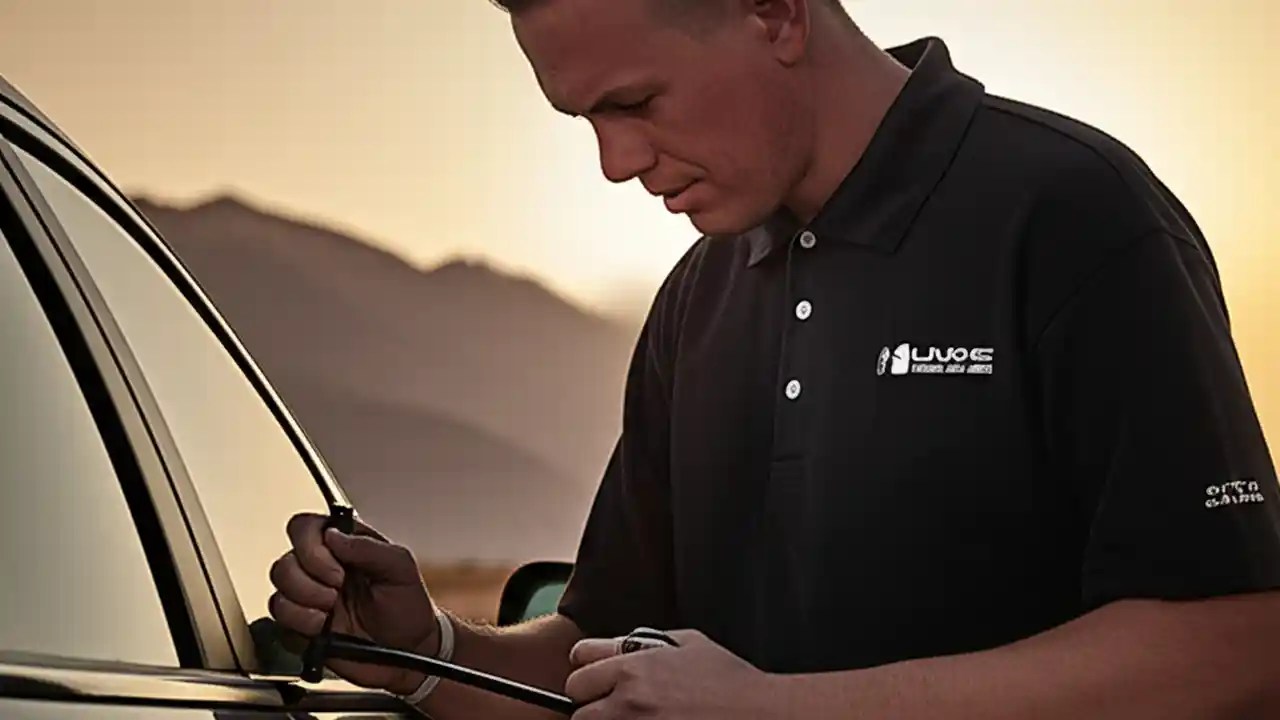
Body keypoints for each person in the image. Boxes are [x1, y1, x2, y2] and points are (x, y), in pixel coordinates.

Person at [269, 0, 1280, 717]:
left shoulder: (1073, 213)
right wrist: (427, 653)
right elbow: (599, 655)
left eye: (634, 101)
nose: (614, 164)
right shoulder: (696, 296)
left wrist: (780, 709)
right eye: (584, 122)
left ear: (774, 12)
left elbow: (1238, 647)